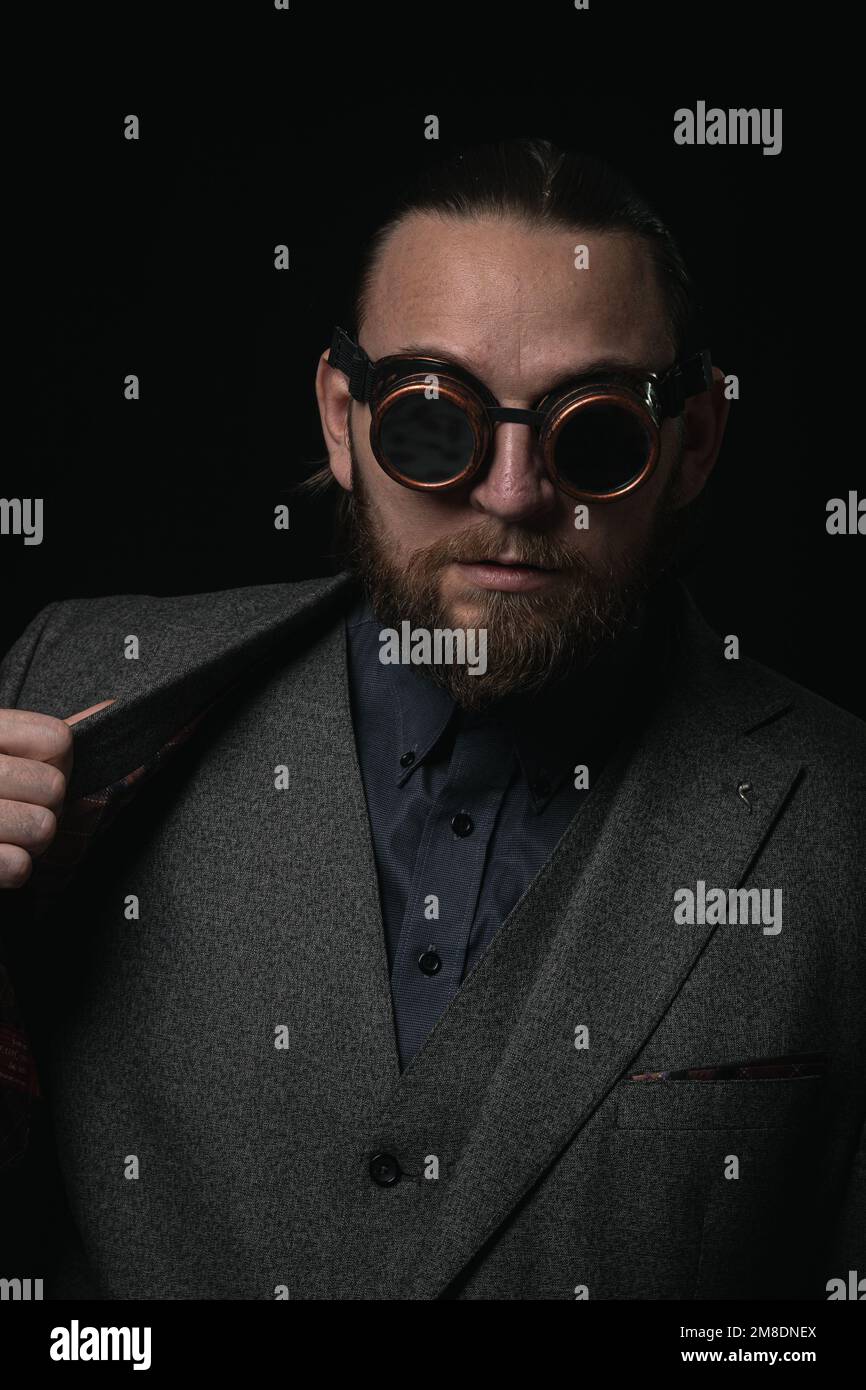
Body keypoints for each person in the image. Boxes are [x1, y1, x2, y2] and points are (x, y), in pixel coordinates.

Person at [0, 138, 863, 1301]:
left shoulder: (839, 820)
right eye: (428, 417)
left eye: (593, 430)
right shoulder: (75, 688)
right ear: (340, 420)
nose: (511, 493)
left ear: (690, 445)